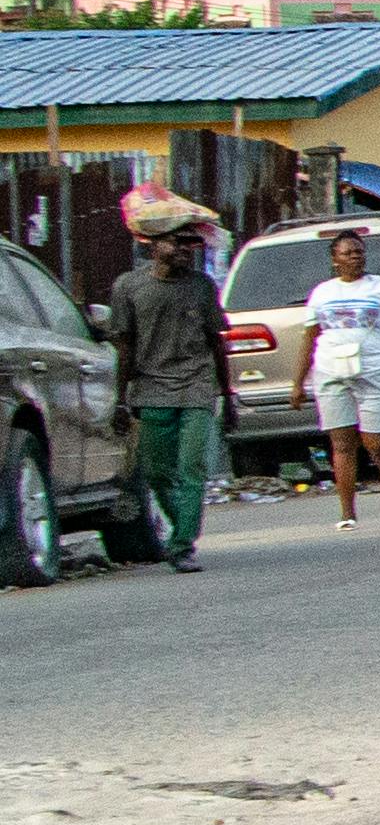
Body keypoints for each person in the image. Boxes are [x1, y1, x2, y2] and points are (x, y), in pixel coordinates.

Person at [103, 202, 225, 570]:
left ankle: (182, 545)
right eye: (176, 243)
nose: (185, 250)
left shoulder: (202, 287)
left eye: (190, 243)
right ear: (152, 246)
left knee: (192, 467)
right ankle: (181, 527)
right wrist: (120, 401)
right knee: (157, 472)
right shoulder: (129, 287)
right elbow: (124, 348)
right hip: (151, 388)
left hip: (196, 386)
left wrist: (229, 397)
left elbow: (217, 342)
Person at [298, 223, 380, 519]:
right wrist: (298, 382)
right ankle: (347, 512)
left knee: (376, 441)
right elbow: (309, 337)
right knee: (342, 442)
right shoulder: (322, 293)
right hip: (332, 372)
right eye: (347, 253)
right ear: (335, 259)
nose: (354, 257)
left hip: (374, 370)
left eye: (359, 252)